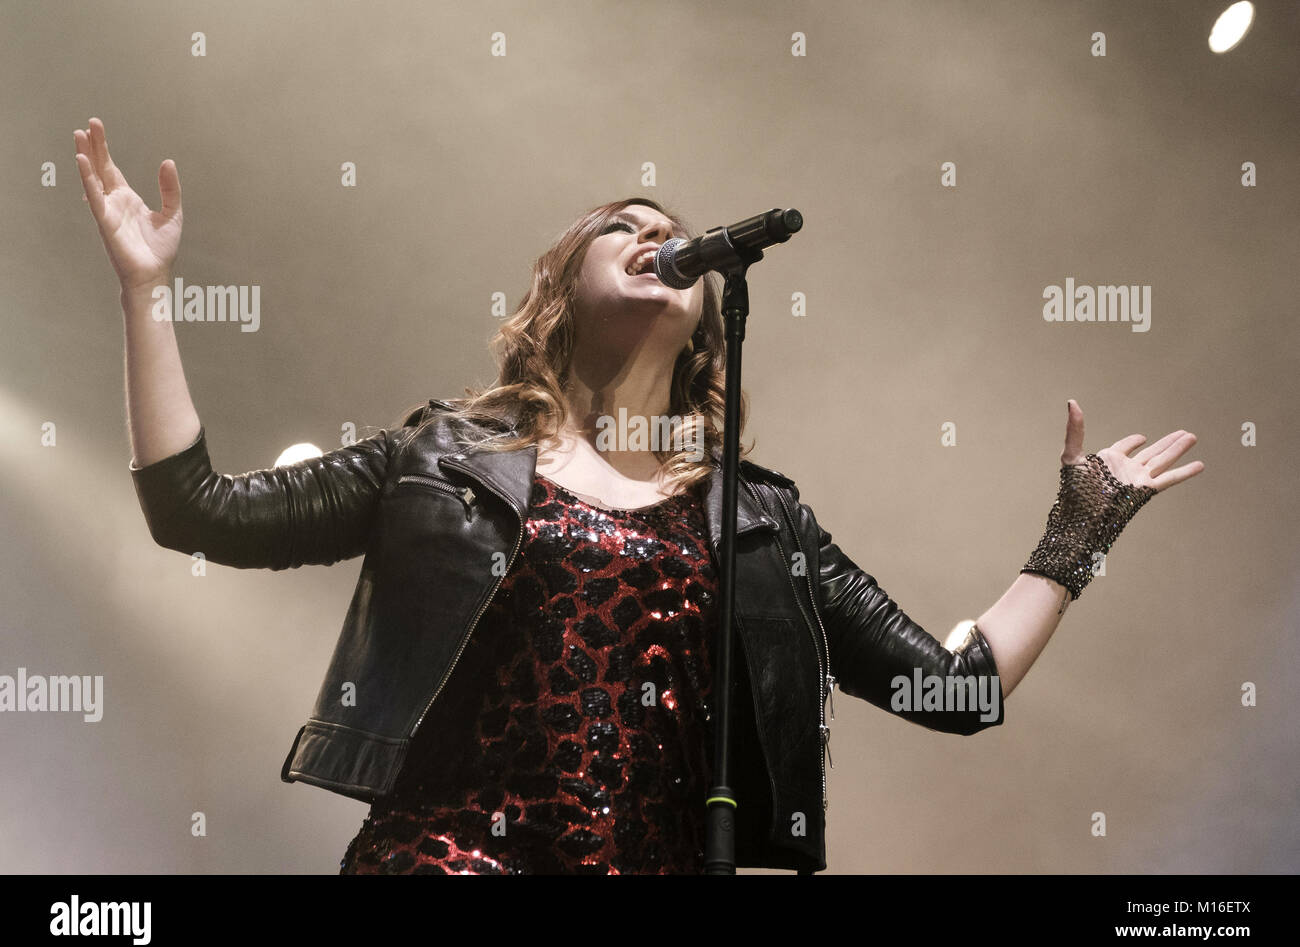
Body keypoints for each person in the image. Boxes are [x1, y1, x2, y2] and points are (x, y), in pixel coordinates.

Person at [77, 117, 1206, 875]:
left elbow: (953, 691)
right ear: (558, 288)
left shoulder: (756, 517)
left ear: (710, 312)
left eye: (672, 234)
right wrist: (147, 292)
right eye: (622, 225)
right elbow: (197, 509)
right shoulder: (443, 456)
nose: (656, 236)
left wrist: (1077, 533)